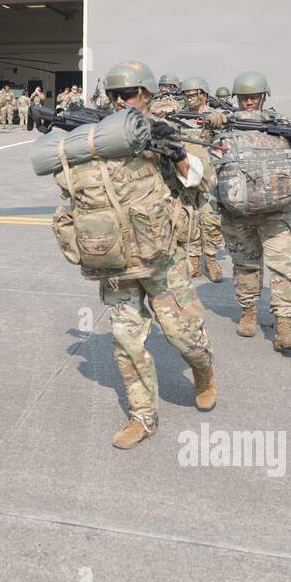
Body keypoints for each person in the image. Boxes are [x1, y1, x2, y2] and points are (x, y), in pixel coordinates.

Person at [51, 61, 219, 449]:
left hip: (163, 258)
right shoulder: (96, 137)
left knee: (183, 335)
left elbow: (203, 180)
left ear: (146, 94)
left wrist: (175, 151)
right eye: (115, 96)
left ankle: (203, 368)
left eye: (128, 94)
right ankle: (143, 417)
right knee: (127, 341)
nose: (121, 102)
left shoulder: (161, 131)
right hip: (116, 261)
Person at [204, 71, 291, 352]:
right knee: (245, 265)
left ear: (264, 96)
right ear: (236, 99)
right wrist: (209, 128)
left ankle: (284, 327)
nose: (249, 101)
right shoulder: (226, 130)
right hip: (237, 213)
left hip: (277, 213)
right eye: (244, 97)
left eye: (254, 96)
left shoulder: (279, 127)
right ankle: (249, 313)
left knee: (283, 266)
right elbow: (202, 159)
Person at [178, 76, 225, 283]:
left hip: (209, 175)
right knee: (190, 218)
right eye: (186, 95)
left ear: (204, 94)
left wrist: (218, 121)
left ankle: (212, 260)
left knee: (211, 218)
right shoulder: (180, 116)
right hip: (187, 174)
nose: (189, 99)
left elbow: (229, 133)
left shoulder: (217, 116)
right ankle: (194, 260)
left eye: (193, 95)